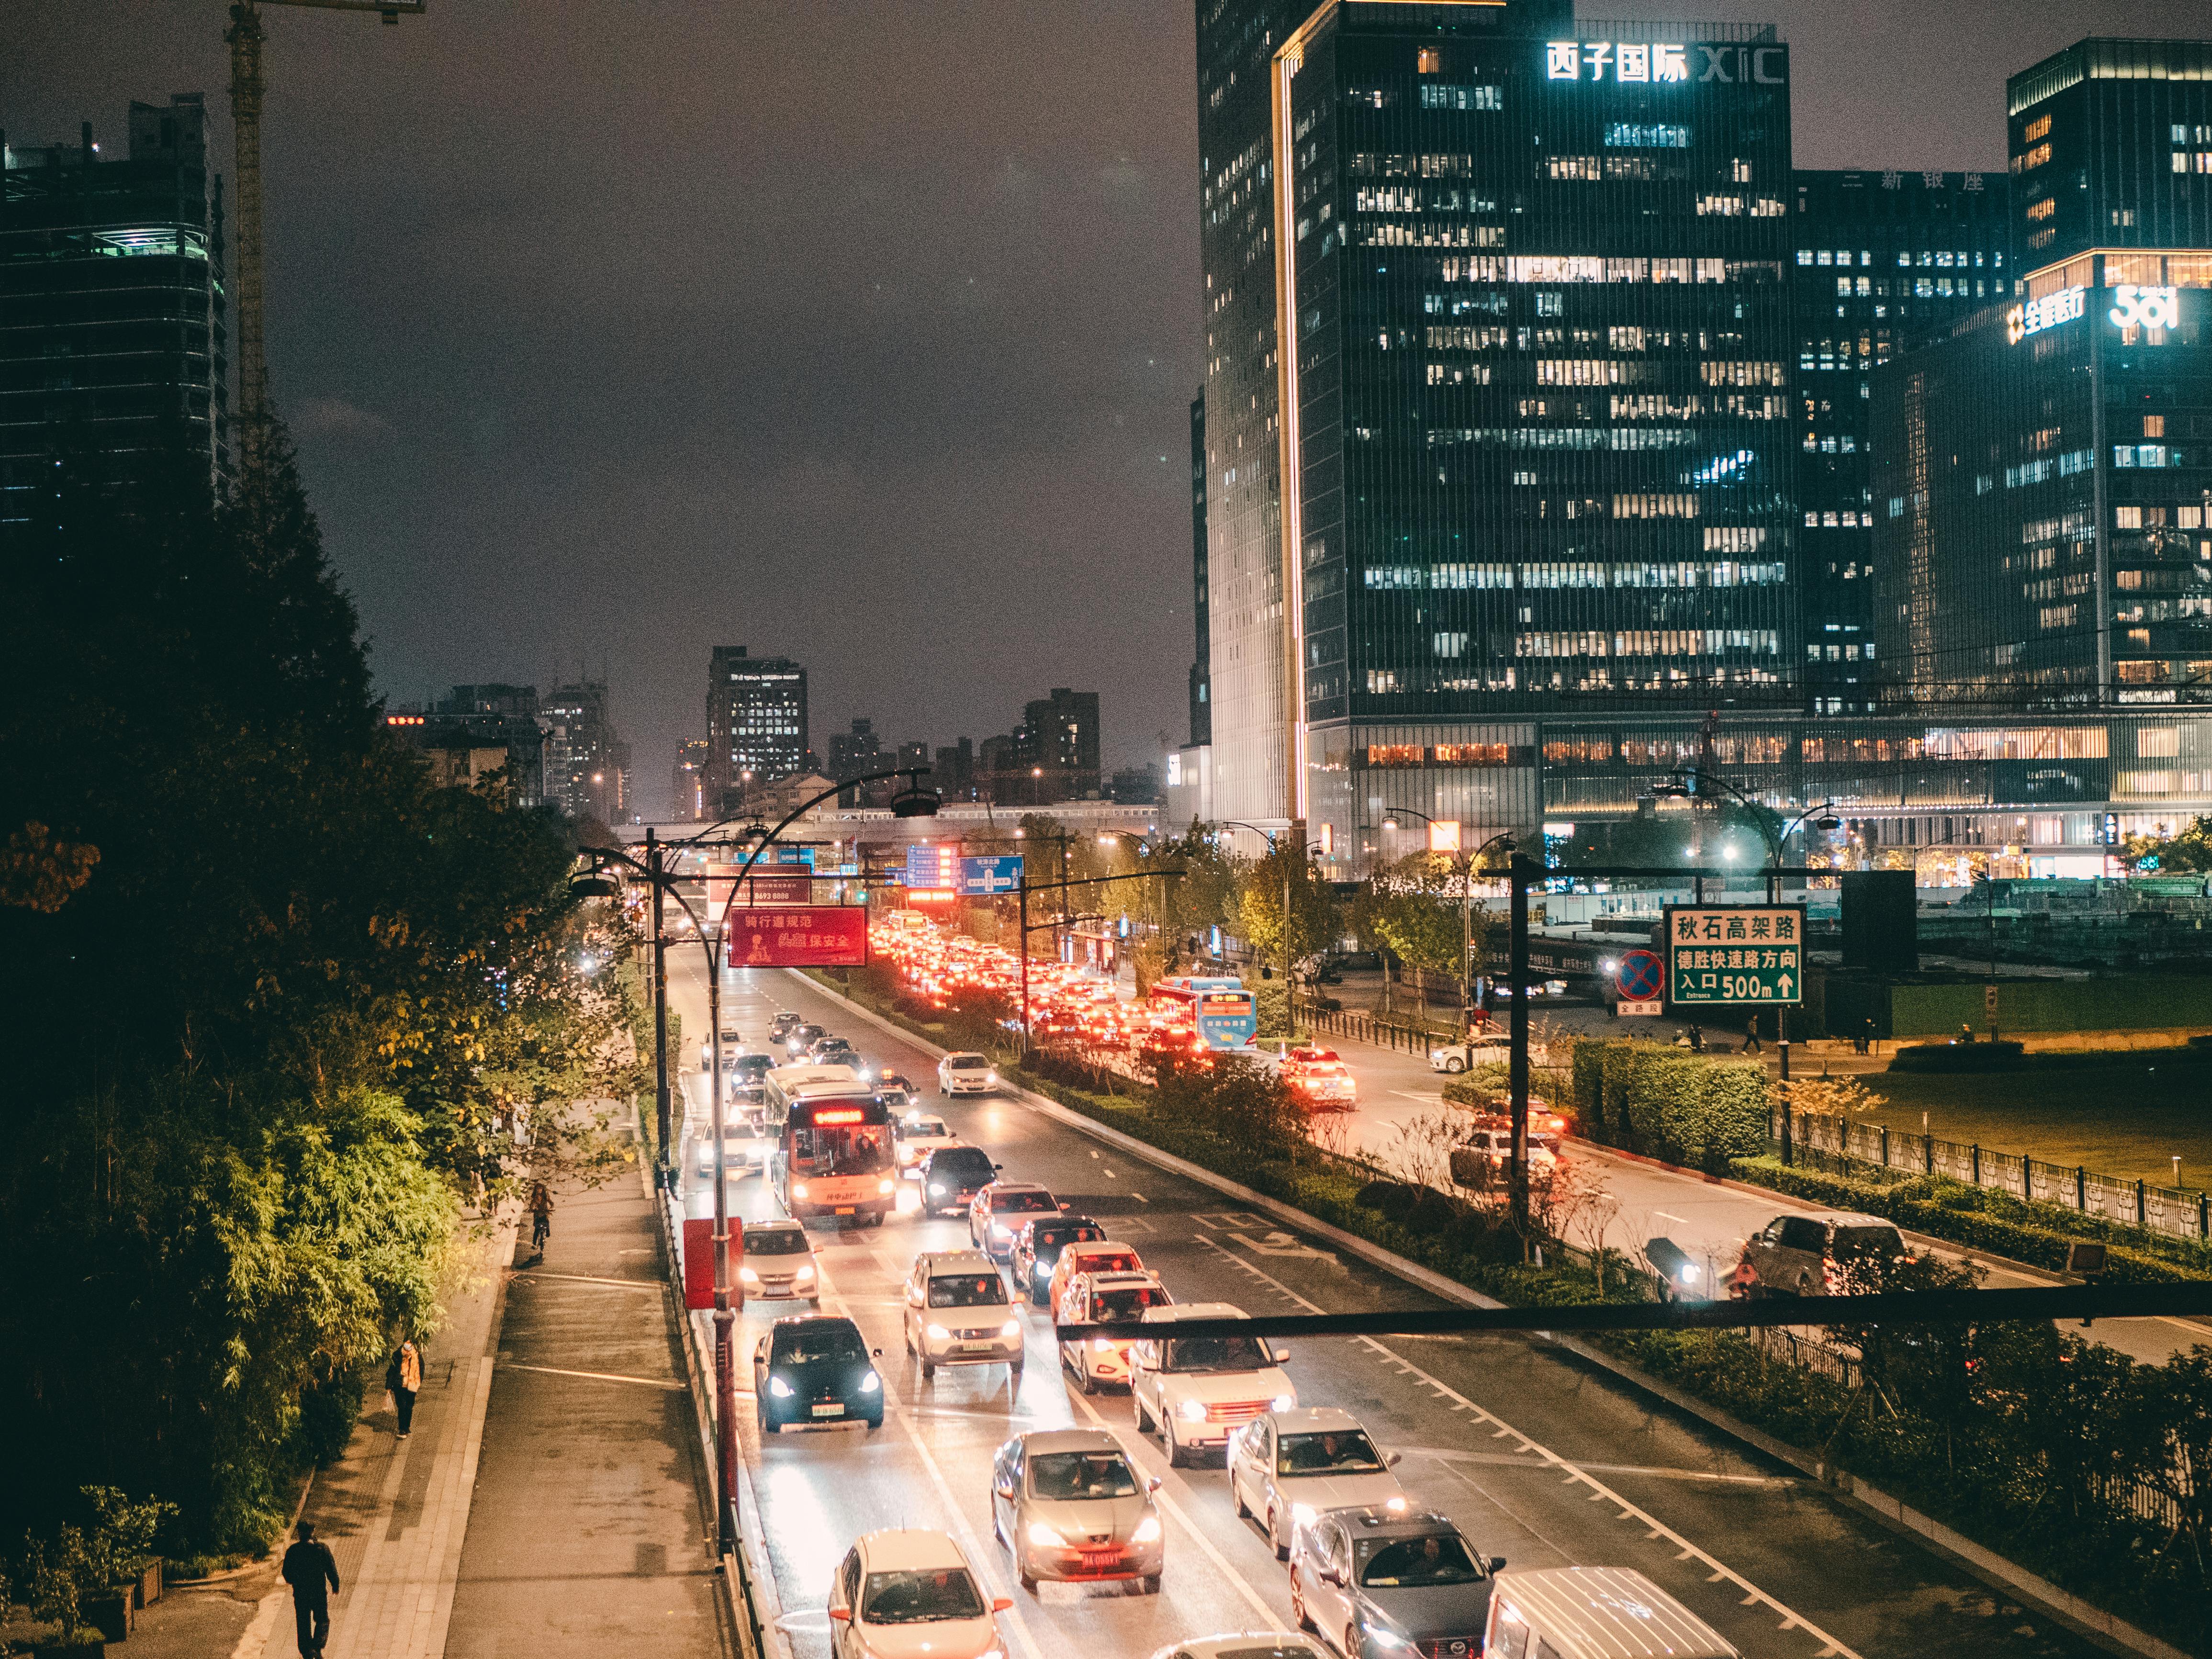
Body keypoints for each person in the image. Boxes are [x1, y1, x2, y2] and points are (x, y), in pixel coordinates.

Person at [281, 1521, 340, 1657]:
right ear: (313, 1531)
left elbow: (286, 1573)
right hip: (318, 1592)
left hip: (301, 1594)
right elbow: (331, 1568)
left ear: (299, 1532)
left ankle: (306, 1650)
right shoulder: (322, 1549)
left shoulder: (293, 1551)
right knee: (322, 1619)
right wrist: (335, 1585)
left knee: (303, 1622)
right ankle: (317, 1645)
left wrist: (294, 1581)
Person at [386, 1336, 423, 1439]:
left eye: (410, 1343)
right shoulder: (397, 1355)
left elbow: (421, 1369)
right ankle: (402, 1429)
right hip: (400, 1385)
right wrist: (389, 1386)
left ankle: (407, 1427)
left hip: (412, 1385)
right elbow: (392, 1371)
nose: (408, 1345)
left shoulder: (417, 1355)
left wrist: (418, 1382)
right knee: (402, 1407)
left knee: (409, 1407)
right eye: (406, 1343)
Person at [528, 1180, 552, 1251]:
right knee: (536, 1230)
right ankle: (534, 1244)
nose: (539, 1190)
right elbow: (532, 1206)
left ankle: (548, 1232)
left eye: (540, 1189)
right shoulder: (535, 1198)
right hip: (537, 1215)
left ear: (543, 1189)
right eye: (538, 1189)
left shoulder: (545, 1197)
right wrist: (532, 1209)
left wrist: (551, 1208)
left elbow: (551, 1203)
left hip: (544, 1213)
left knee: (547, 1222)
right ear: (536, 1190)